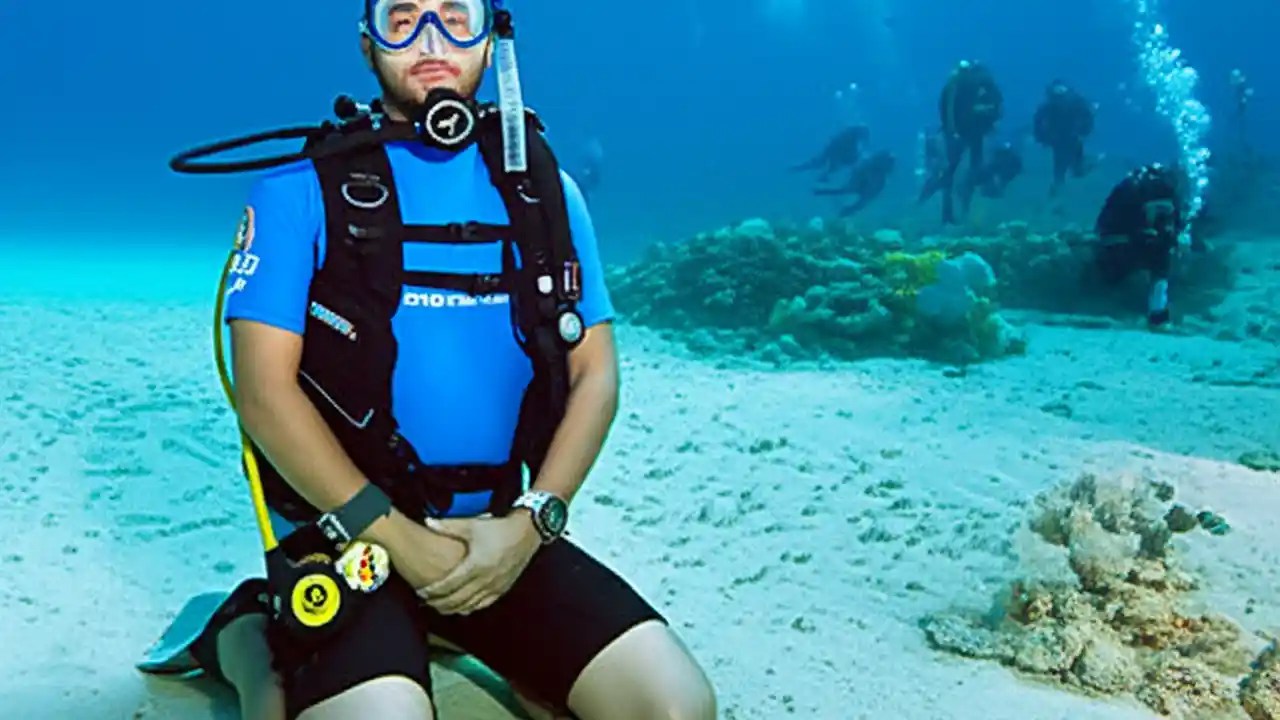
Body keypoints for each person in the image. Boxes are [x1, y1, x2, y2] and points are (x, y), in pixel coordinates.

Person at [161, 2, 718, 719]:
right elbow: (264, 393)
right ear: (368, 46)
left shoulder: (546, 192)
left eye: (455, 16)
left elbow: (595, 376)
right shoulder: (297, 191)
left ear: (493, 40)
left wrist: (534, 522)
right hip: (349, 535)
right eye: (403, 18)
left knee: (675, 707)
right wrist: (400, 543)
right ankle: (246, 629)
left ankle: (445, 626)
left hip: (501, 534)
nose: (431, 40)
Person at [1093, 163, 1186, 328]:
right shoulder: (1132, 193)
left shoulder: (1158, 194)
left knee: (1162, 255)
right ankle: (1154, 312)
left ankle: (1157, 311)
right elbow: (1107, 228)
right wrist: (1138, 234)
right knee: (1113, 274)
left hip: (1131, 242)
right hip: (1120, 243)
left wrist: (1170, 236)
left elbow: (1175, 226)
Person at [918, 60, 1003, 224]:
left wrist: (952, 130)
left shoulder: (955, 86)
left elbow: (946, 111)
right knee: (964, 169)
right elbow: (995, 108)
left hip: (962, 132)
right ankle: (960, 209)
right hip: (971, 132)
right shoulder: (974, 86)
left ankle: (954, 210)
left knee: (953, 170)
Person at [1032, 79, 1095, 196]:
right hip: (1059, 140)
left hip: (1070, 138)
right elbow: (1038, 123)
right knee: (1060, 170)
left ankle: (1065, 190)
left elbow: (1088, 118)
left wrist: (1082, 131)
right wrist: (1043, 138)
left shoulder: (1076, 104)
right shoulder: (1049, 107)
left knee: (1073, 168)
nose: (1059, 99)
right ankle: (1060, 193)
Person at [813, 150, 895, 216]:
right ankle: (821, 192)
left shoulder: (881, 172)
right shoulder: (868, 163)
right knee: (846, 191)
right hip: (861, 182)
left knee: (858, 202)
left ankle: (843, 212)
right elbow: (857, 171)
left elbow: (878, 187)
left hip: (869, 187)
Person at [792, 124, 871, 182]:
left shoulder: (851, 137)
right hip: (833, 154)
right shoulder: (848, 137)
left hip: (838, 155)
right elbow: (835, 148)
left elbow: (854, 152)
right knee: (818, 164)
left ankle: (799, 168)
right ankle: (799, 168)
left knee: (818, 164)